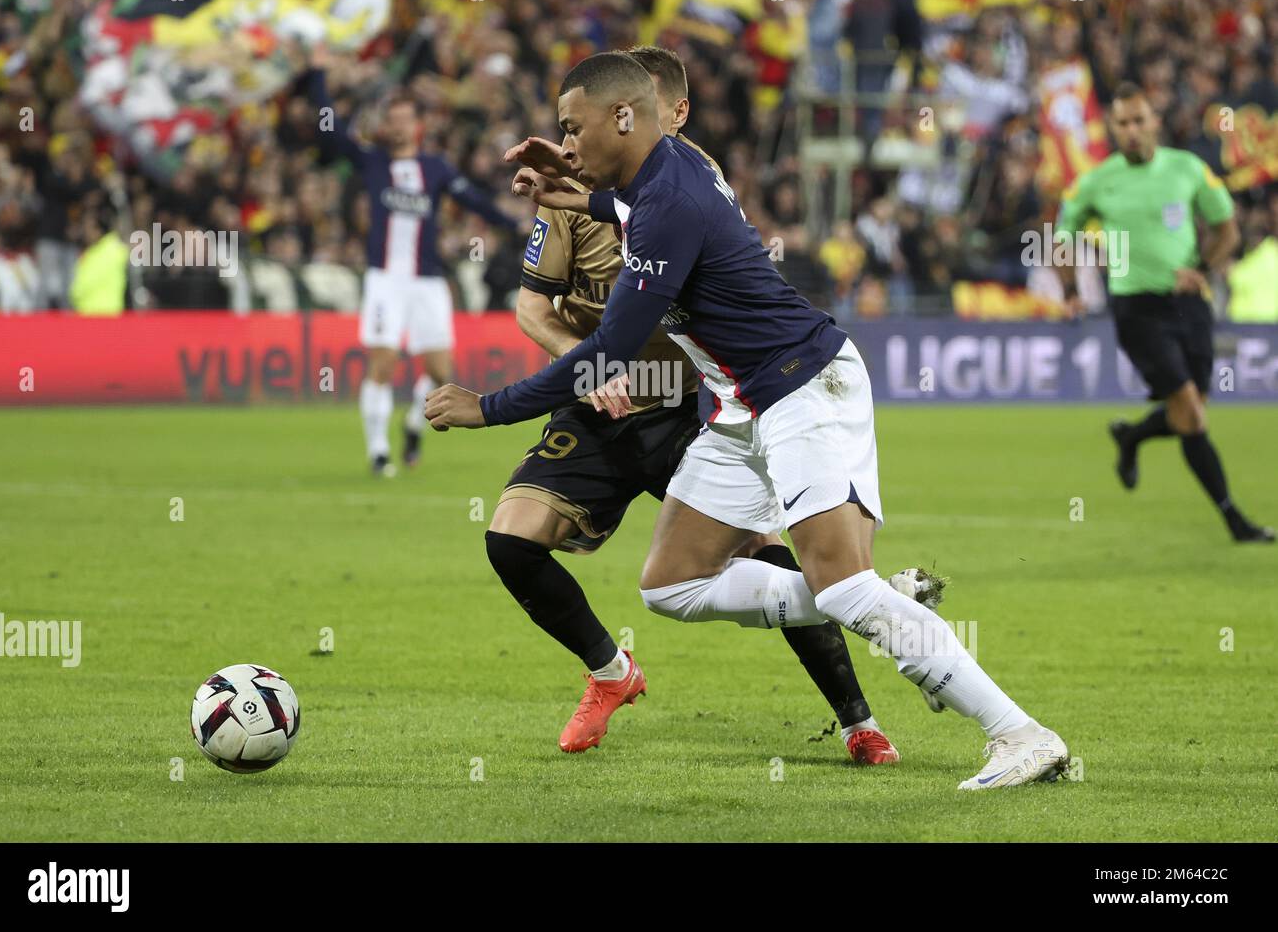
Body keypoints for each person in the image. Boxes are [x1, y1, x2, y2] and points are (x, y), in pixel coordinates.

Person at [428, 52, 1067, 790]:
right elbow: (632, 207)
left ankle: (1019, 734)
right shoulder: (672, 172)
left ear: (624, 117)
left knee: (844, 592)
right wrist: (579, 196)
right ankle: (891, 609)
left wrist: (487, 408)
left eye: (574, 128)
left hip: (803, 388)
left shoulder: (667, 203)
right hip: (745, 406)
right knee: (670, 586)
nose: (565, 144)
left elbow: (605, 350)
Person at [490, 46, 920, 761]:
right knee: (510, 539)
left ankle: (858, 720)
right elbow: (533, 306)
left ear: (674, 114)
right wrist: (588, 368)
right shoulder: (572, 196)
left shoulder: (690, 187)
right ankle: (610, 672)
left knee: (767, 556)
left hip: (691, 407)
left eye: (672, 109)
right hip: (599, 401)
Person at [1056, 83, 1272, 543]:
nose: (1131, 131)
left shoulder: (1187, 168)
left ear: (1154, 121)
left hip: (1190, 307)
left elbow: (1226, 229)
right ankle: (1236, 522)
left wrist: (1201, 268)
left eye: (1139, 120)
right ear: (1112, 128)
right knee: (1191, 415)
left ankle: (1132, 436)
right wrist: (1072, 289)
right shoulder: (1097, 180)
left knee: (1189, 414)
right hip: (1137, 309)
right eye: (1122, 123)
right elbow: (1061, 237)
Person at [305, 43, 527, 476]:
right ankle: (378, 453)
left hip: (427, 280)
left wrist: (512, 221)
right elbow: (329, 133)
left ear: (419, 125)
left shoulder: (436, 169)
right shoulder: (371, 161)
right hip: (386, 279)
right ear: (386, 126)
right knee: (383, 363)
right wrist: (317, 77)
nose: (400, 126)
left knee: (442, 374)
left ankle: (411, 425)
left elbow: (473, 200)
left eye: (407, 119)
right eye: (393, 120)